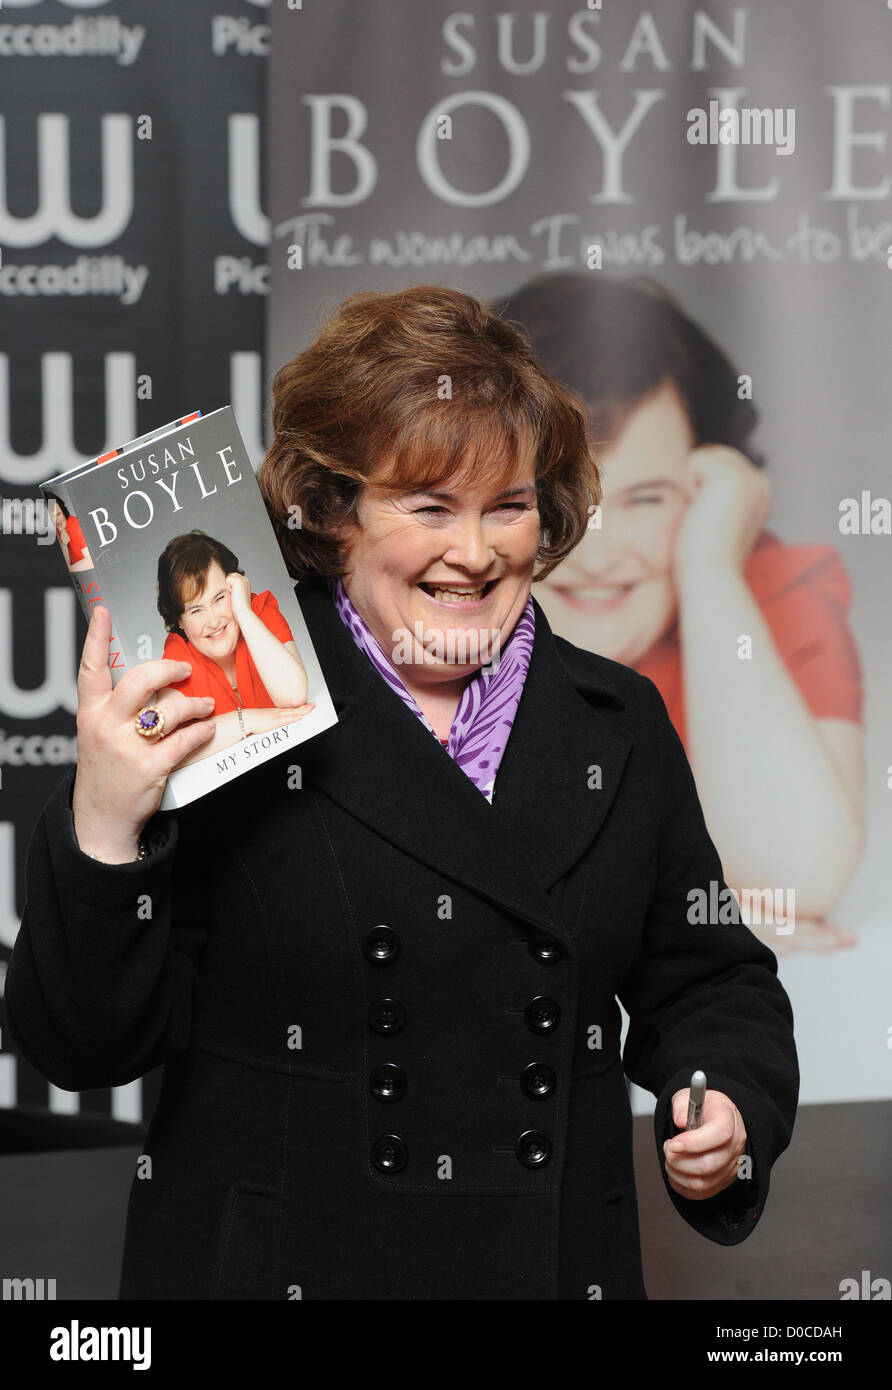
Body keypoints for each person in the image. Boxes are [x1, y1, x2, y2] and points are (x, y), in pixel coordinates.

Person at [4, 284, 799, 1301]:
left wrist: (724, 1098)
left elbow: (710, 981)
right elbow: (82, 1044)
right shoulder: (218, 721)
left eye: (507, 505)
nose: (474, 552)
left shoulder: (619, 723)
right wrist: (107, 818)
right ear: (333, 514)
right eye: (429, 507)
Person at [499, 273, 865, 955]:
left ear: (708, 491)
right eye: (558, 497)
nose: (598, 553)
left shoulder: (769, 588)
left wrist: (709, 567)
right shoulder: (433, 599)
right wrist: (677, 919)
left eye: (648, 499)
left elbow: (801, 873)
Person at [152, 530, 315, 769]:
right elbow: (168, 748)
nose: (213, 620)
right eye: (196, 610)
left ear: (235, 587)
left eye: (219, 598)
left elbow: (293, 696)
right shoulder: (179, 654)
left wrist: (243, 612)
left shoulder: (258, 611)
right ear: (179, 621)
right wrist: (247, 721)